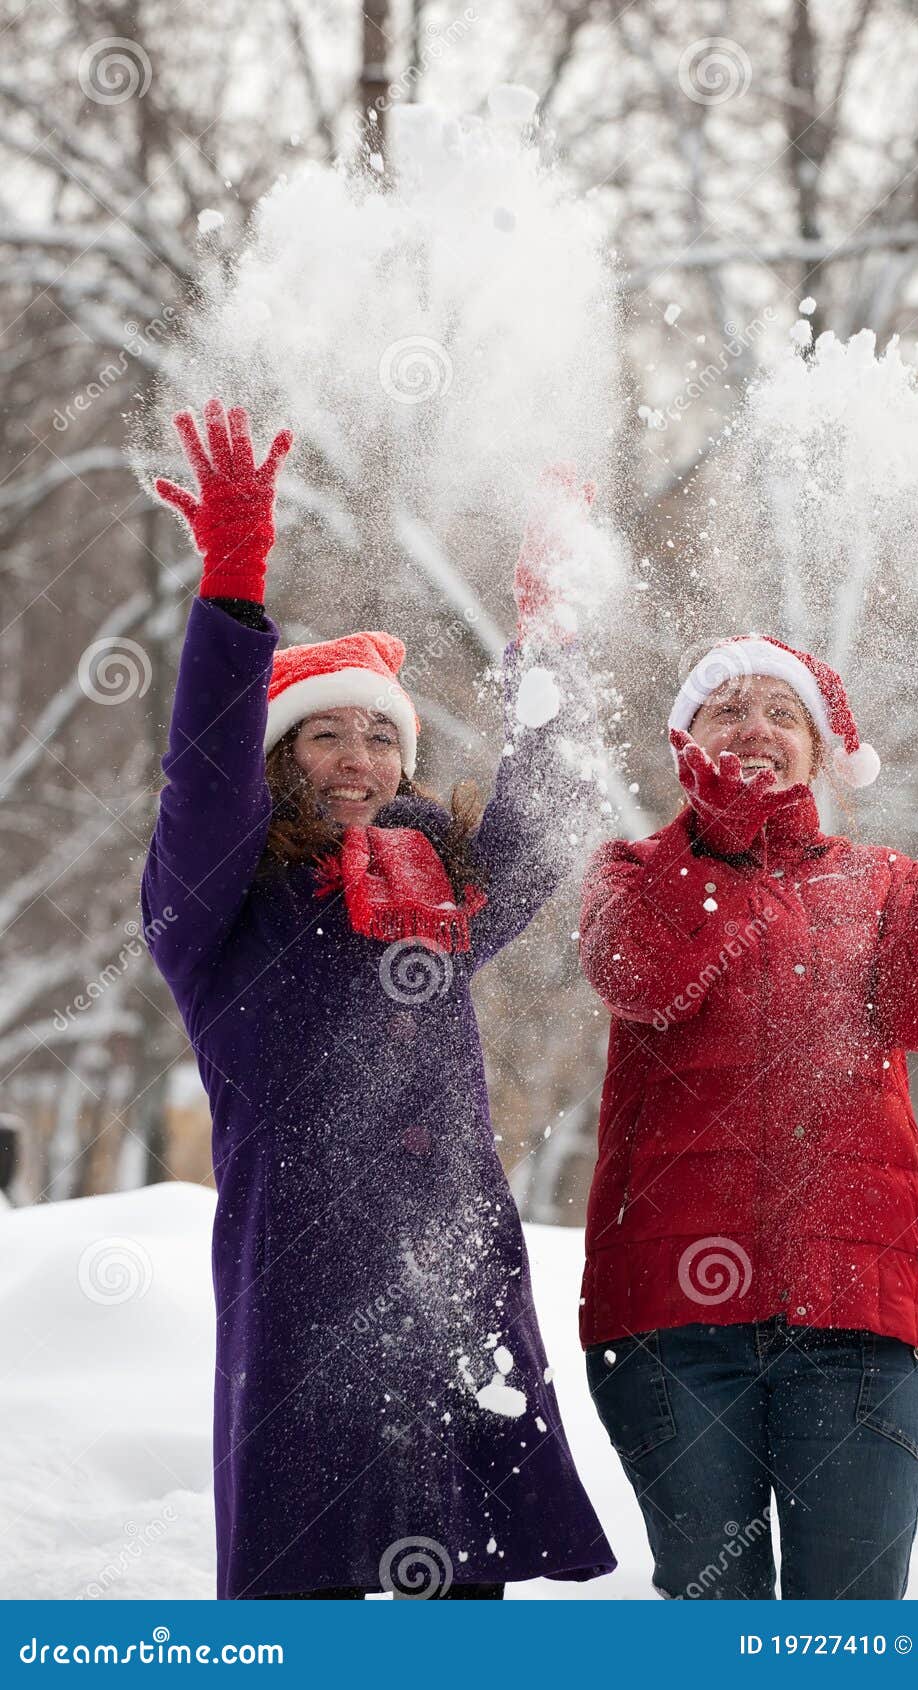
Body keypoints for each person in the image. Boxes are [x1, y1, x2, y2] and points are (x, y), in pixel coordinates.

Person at [143, 397, 614, 1600]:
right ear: (276, 759)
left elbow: (549, 812)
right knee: (308, 1594)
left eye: (380, 740)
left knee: (456, 1597)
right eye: (322, 738)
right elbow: (200, 784)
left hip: (448, 1276)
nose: (357, 759)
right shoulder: (217, 907)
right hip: (300, 1280)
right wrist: (234, 590)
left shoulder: (437, 898)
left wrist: (546, 635)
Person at [577, 633, 918, 1600]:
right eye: (727, 709)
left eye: (784, 715)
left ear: (820, 754)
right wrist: (717, 844)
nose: (756, 729)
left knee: (853, 1628)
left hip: (858, 1312)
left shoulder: (880, 884)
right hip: (670, 1320)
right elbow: (641, 977)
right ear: (683, 743)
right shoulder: (628, 870)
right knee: (716, 1628)